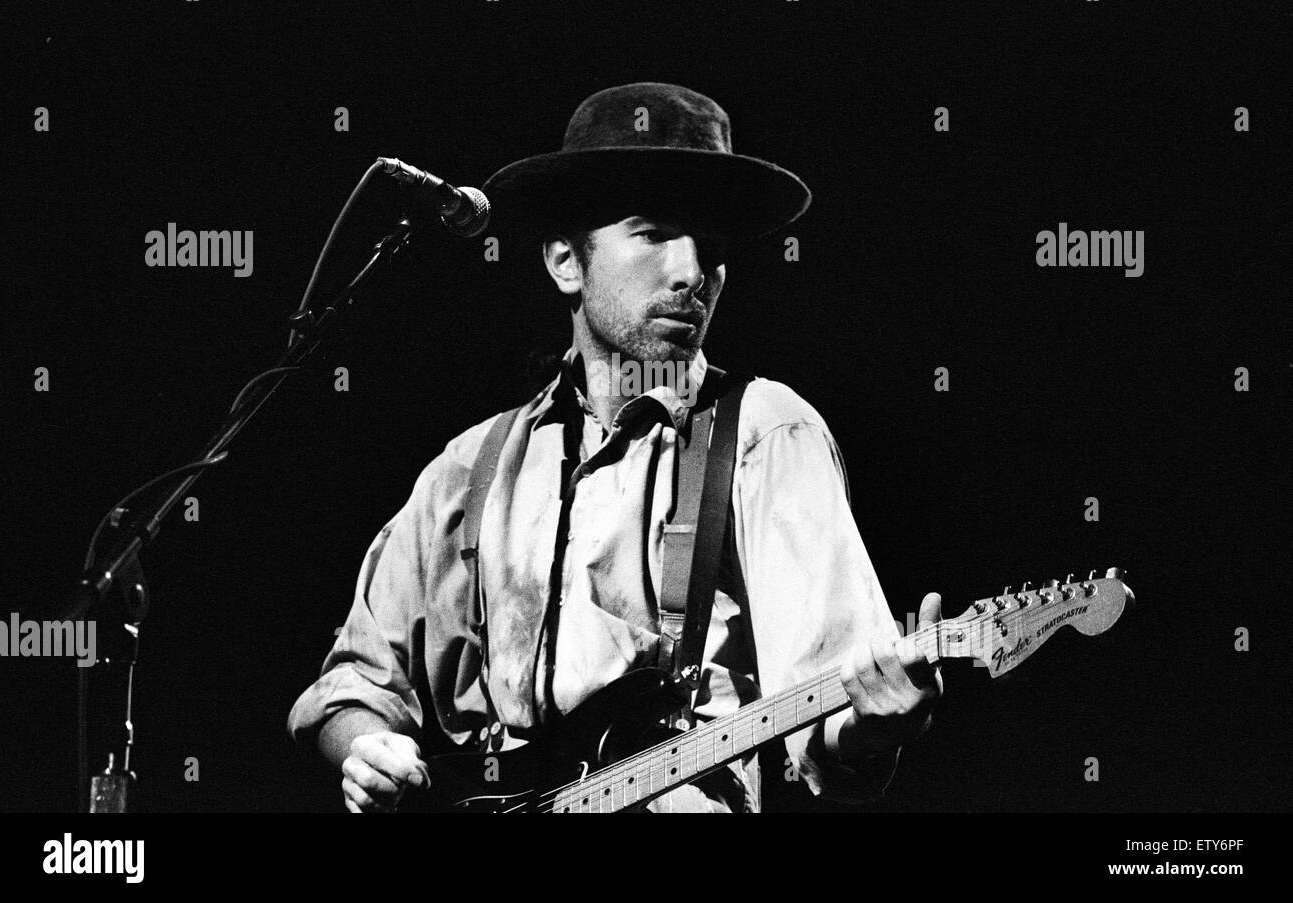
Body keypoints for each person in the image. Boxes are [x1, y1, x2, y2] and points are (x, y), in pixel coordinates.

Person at [288, 82, 943, 813]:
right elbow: (352, 685)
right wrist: (366, 749)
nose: (693, 273)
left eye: (712, 248)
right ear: (567, 261)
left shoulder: (766, 432)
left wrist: (872, 724)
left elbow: (832, 714)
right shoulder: (469, 468)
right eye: (656, 232)